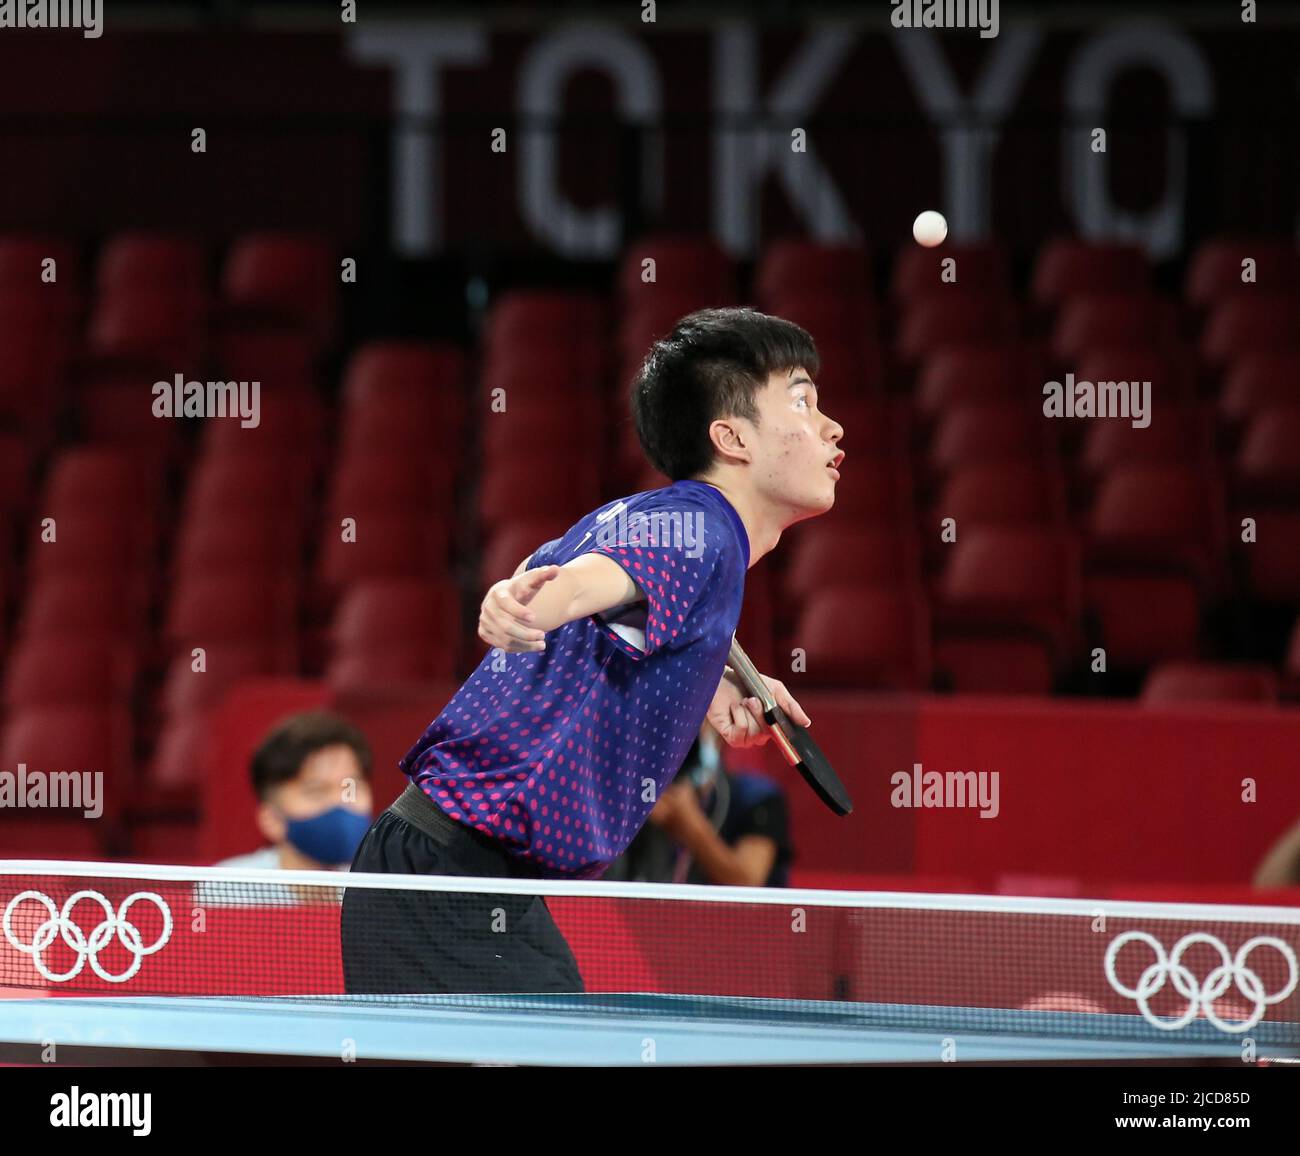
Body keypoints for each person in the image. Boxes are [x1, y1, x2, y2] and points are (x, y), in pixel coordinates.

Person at [341, 306, 844, 994]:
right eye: (802, 401)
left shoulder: (659, 518)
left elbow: (624, 600)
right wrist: (523, 601)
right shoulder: (703, 529)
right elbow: (582, 587)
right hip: (451, 881)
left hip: (455, 872)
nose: (831, 426)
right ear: (732, 438)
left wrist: (716, 674)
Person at [197, 712, 374, 906]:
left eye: (351, 787)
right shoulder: (227, 891)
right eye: (316, 791)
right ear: (272, 820)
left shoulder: (387, 891)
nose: (341, 803)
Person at [604, 722, 793, 887]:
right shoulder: (634, 796)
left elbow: (747, 880)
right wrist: (632, 817)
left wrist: (690, 826)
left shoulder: (757, 797)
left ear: (721, 735)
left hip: (735, 925)